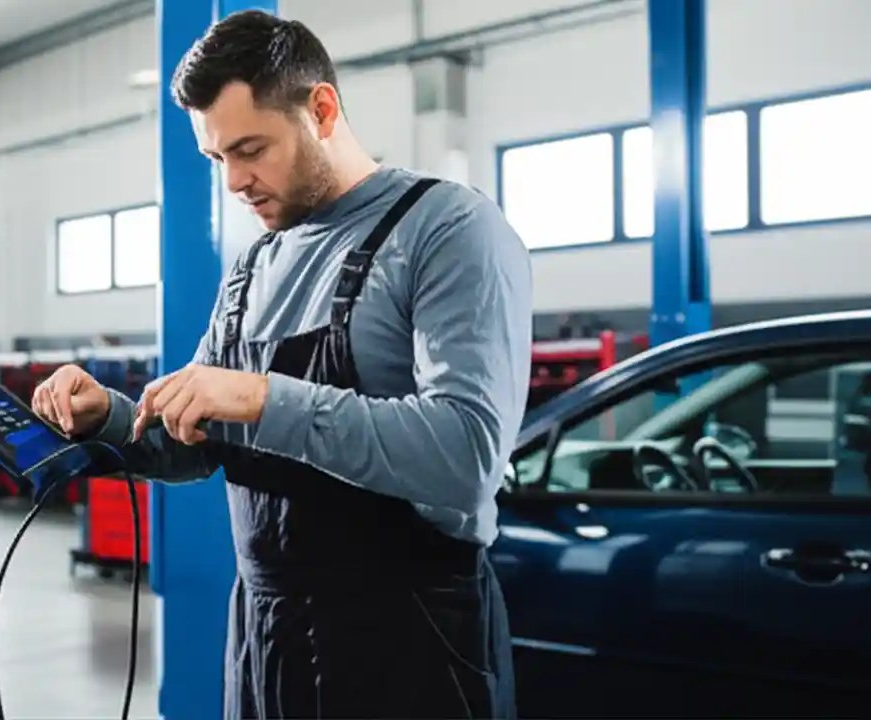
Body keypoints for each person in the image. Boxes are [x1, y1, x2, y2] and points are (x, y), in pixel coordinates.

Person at [33, 10, 531, 719]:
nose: (235, 180)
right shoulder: (253, 266)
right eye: (218, 159)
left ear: (321, 109)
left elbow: (467, 454)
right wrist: (109, 417)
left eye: (251, 148)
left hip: (408, 642)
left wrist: (262, 396)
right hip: (267, 635)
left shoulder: (446, 229)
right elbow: (199, 443)